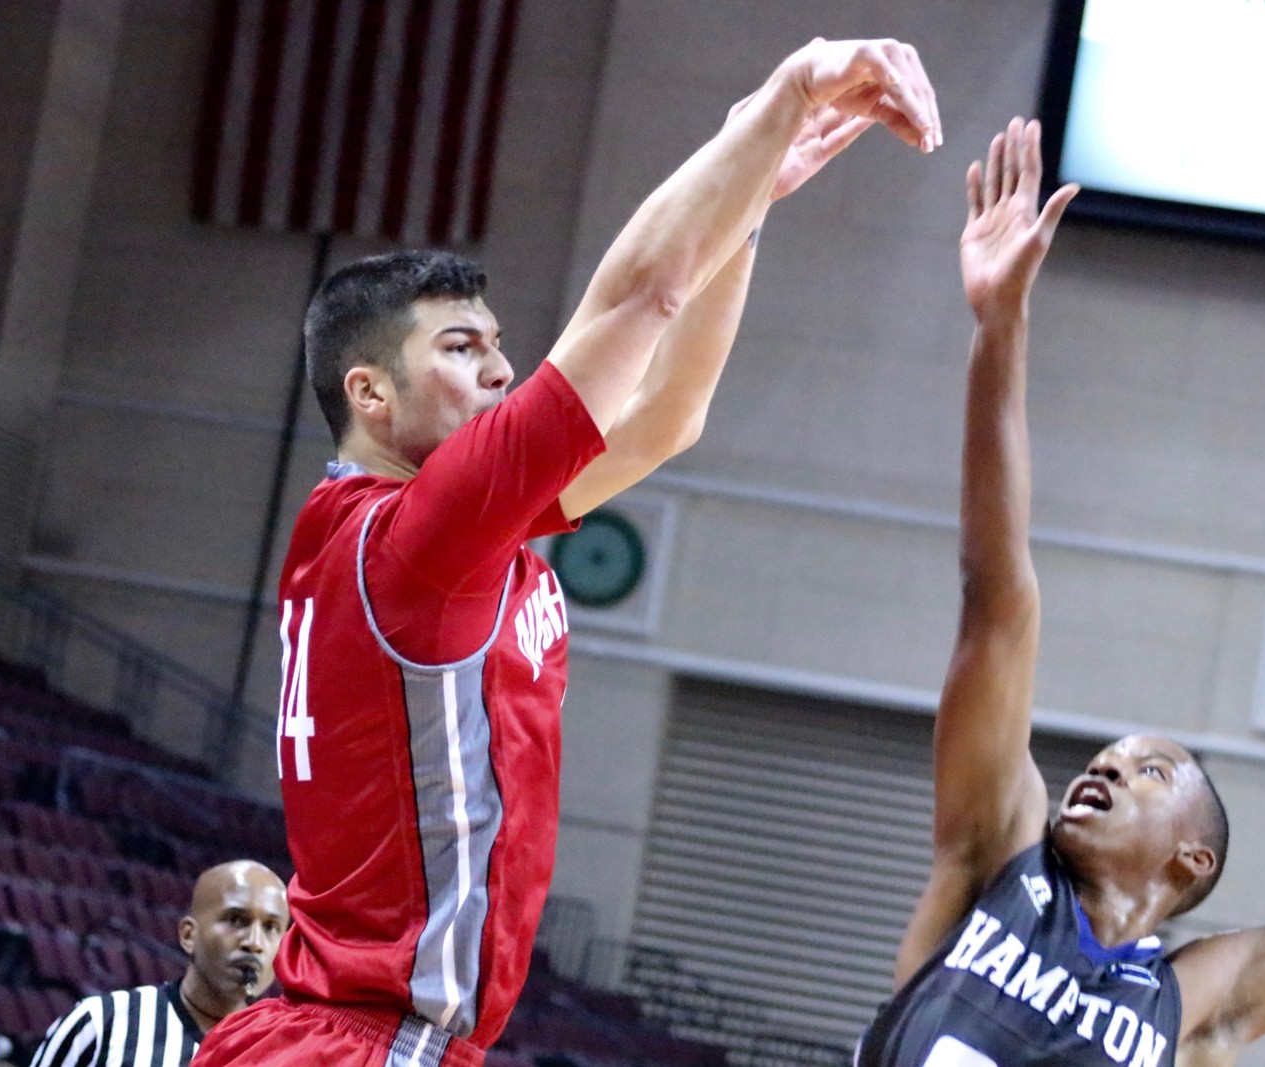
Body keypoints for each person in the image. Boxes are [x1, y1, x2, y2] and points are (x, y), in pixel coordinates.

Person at [195, 36, 943, 1067]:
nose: (501, 370)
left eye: (498, 344)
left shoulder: (419, 533)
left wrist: (746, 203)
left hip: (350, 1032)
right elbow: (641, 298)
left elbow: (664, 417)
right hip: (367, 1040)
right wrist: (784, 94)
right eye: (461, 348)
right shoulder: (420, 540)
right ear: (369, 392)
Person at [857, 118, 1265, 1067]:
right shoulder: (997, 855)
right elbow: (996, 596)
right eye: (1111, 759)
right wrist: (1000, 326)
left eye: (1150, 771)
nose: (1109, 769)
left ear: (1193, 858)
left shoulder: (1188, 1003)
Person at [32, 861, 288, 1067]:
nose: (255, 942)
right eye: (236, 920)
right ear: (189, 935)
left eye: (271, 928)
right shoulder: (99, 1023)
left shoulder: (286, 1051)